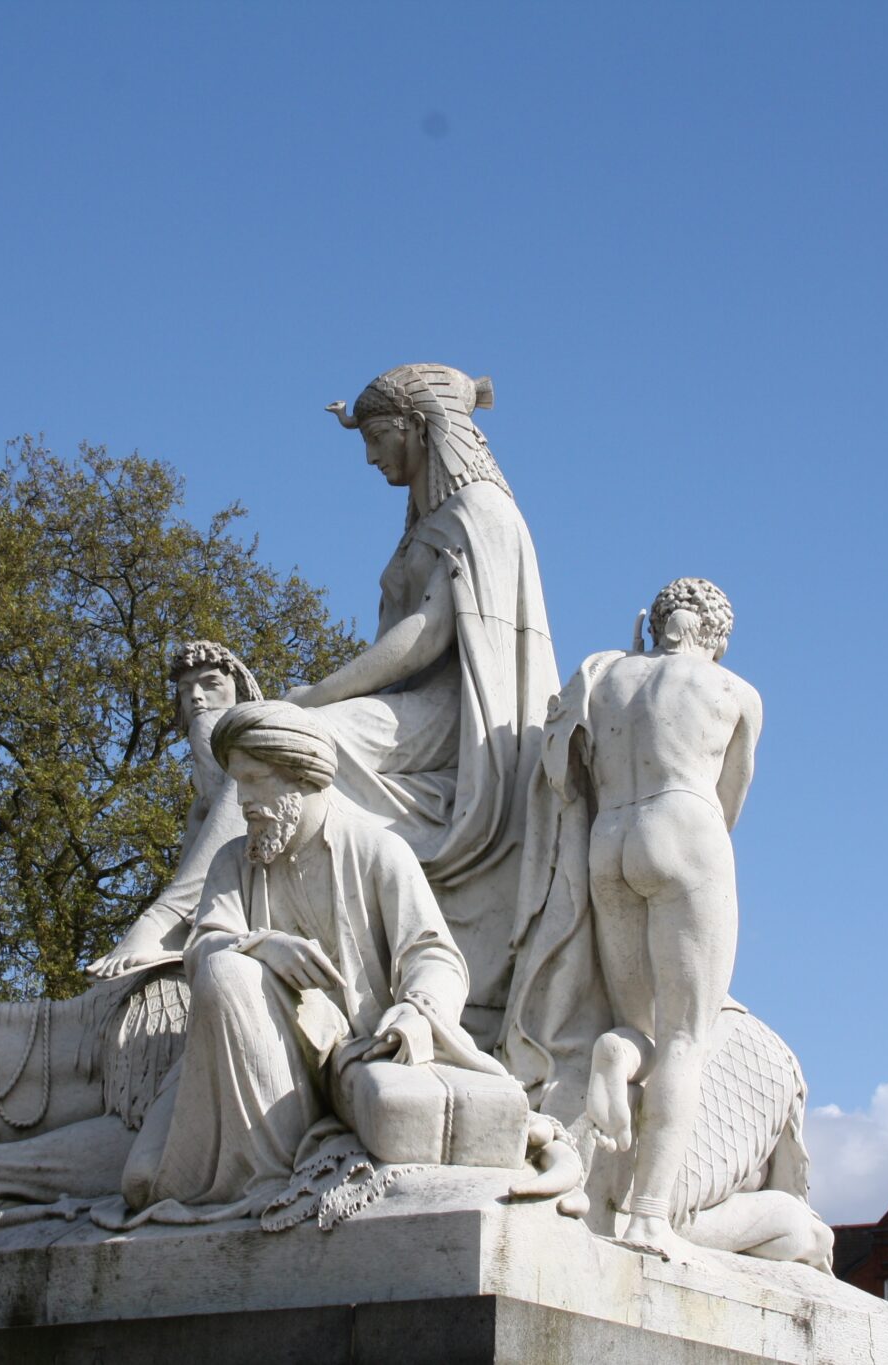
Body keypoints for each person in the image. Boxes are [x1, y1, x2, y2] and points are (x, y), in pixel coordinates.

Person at [121, 701, 497, 1215]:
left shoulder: (377, 851)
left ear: (301, 777)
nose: (245, 802)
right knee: (143, 1182)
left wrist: (417, 1010)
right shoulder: (236, 860)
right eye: (238, 783)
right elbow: (203, 945)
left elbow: (435, 955)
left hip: (352, 1052)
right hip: (246, 1056)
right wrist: (263, 944)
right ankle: (256, 1172)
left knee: (230, 972)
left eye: (255, 781)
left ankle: (272, 1178)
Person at [503, 578, 766, 1258]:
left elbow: (568, 771)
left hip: (609, 842)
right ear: (715, 630)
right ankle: (650, 1215)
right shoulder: (735, 691)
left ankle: (616, 1051)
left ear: (654, 624)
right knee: (687, 1037)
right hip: (685, 826)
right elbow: (728, 803)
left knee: (639, 1026)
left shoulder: (605, 673)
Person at [296, 363, 557, 1043]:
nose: (372, 454)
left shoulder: (479, 513)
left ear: (418, 427)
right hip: (413, 709)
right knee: (273, 742)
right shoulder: (432, 521)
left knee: (294, 743)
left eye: (379, 436)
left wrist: (313, 697)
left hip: (452, 720)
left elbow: (426, 636)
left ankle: (186, 927)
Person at [87, 641, 261, 978]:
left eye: (210, 684)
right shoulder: (201, 795)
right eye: (186, 690)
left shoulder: (229, 735)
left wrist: (161, 917)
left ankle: (159, 920)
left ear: (238, 690)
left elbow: (241, 804)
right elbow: (194, 865)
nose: (196, 696)